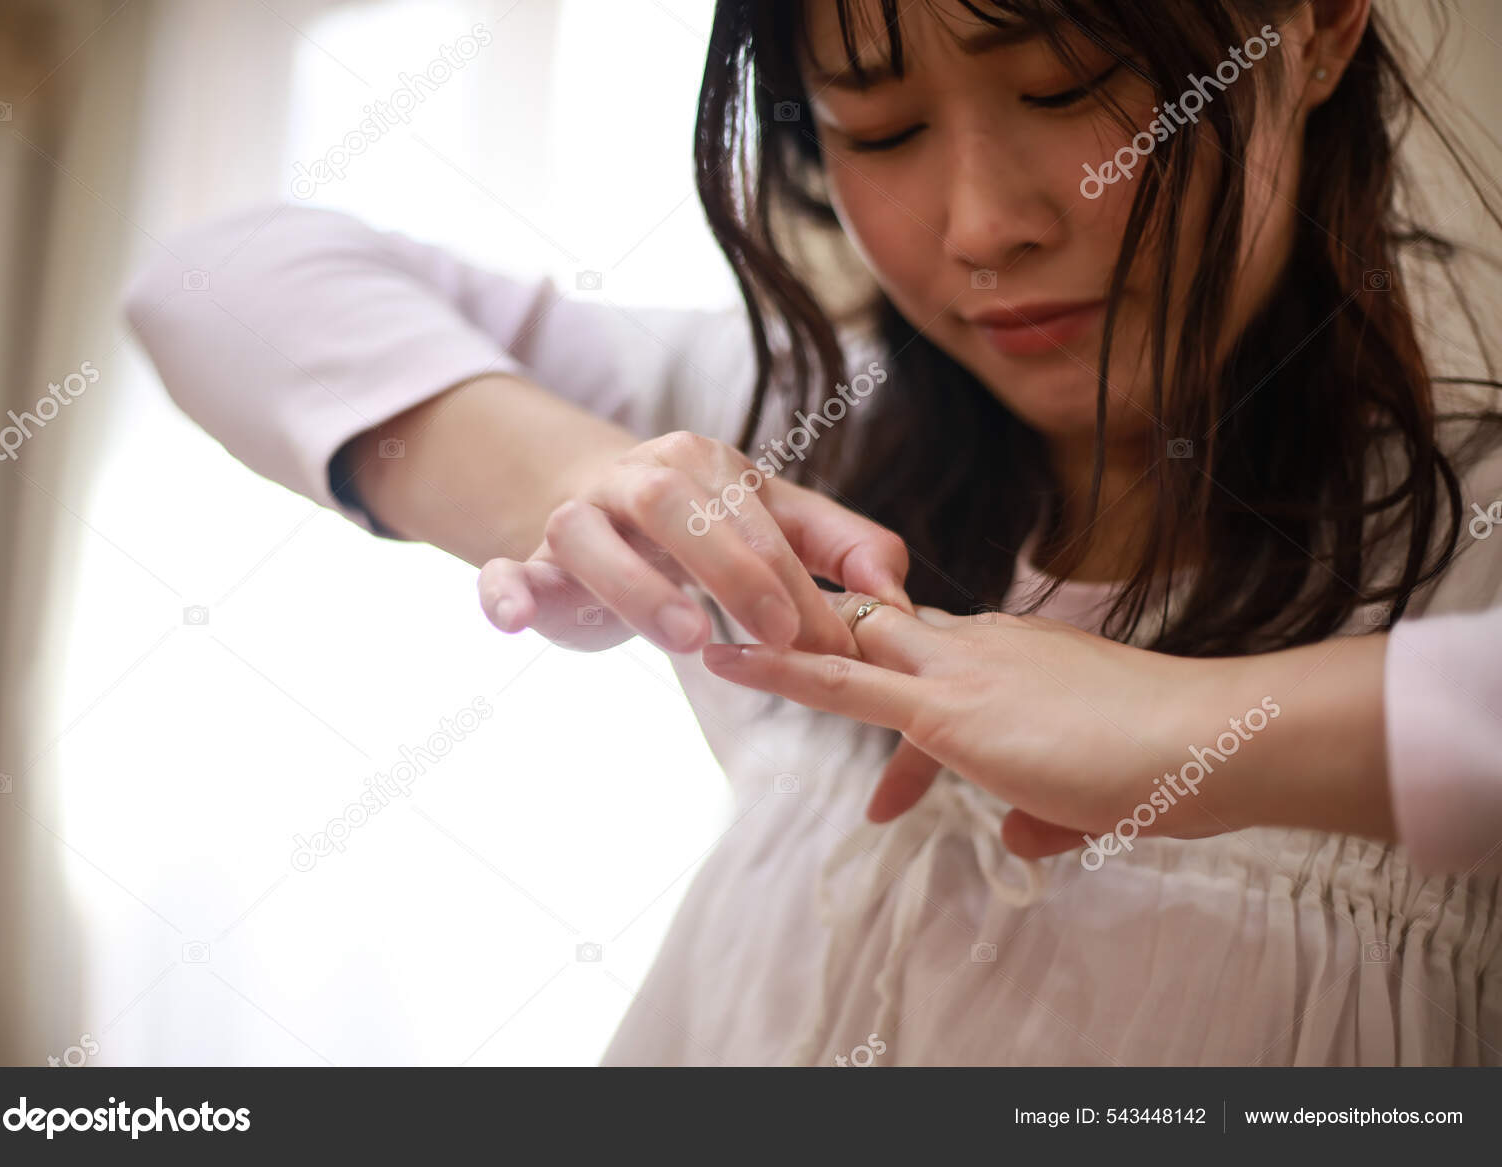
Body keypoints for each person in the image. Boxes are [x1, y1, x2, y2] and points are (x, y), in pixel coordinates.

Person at [126, 0, 1502, 1064]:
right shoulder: (796, 436)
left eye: (1073, 84)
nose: (981, 229)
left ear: (1318, 27)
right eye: (879, 127)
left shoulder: (1471, 536)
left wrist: (1201, 732)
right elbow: (210, 285)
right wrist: (603, 480)